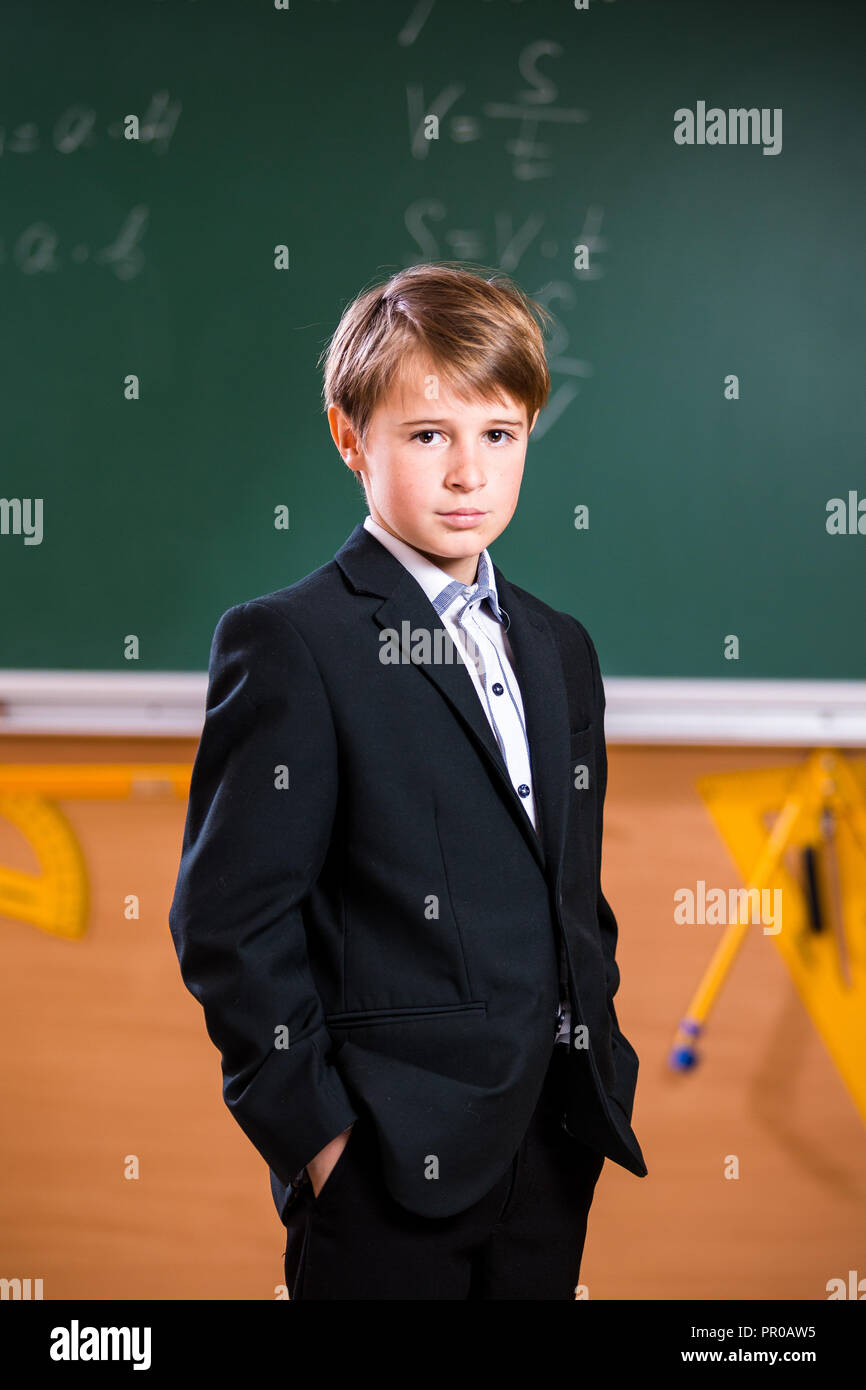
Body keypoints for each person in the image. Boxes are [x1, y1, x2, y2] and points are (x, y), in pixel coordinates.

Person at [168, 260, 647, 1300]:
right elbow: (230, 923)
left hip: (547, 1143)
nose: (467, 474)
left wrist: (594, 1046)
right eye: (428, 436)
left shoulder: (559, 649)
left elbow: (570, 898)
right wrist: (318, 1144)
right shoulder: (293, 641)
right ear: (351, 437)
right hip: (383, 1163)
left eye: (498, 435)